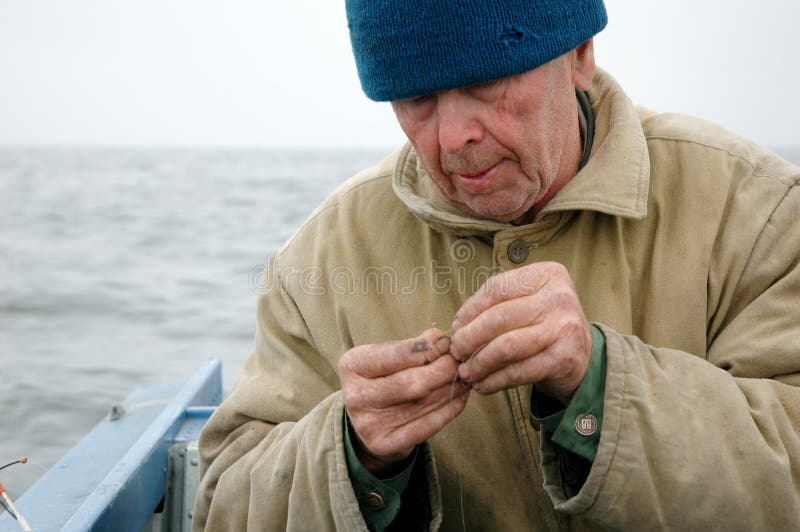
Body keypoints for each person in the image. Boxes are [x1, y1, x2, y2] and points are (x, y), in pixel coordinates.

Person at [193, 0, 800, 529]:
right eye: (417, 98)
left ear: (580, 54)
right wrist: (354, 457)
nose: (453, 137)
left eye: (487, 80)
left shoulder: (757, 210)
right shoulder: (316, 264)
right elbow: (224, 505)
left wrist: (600, 385)